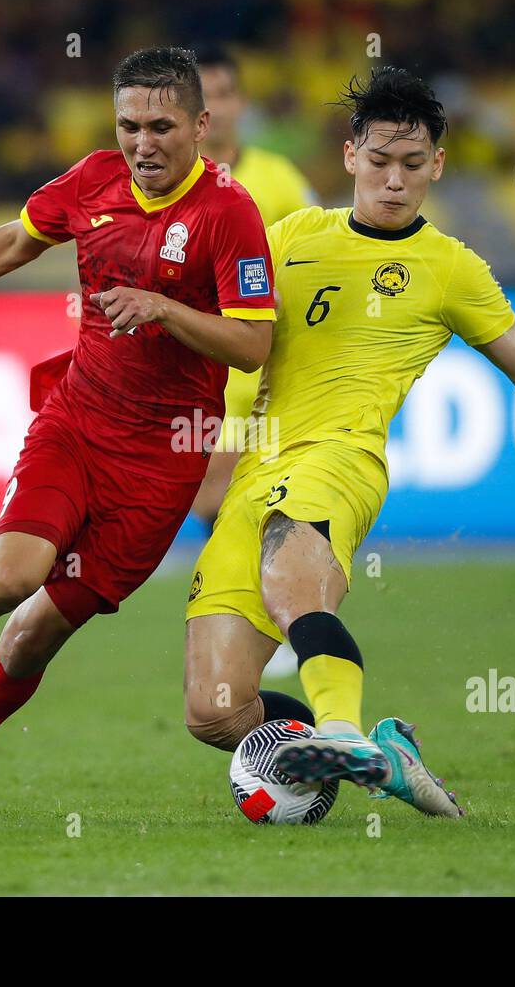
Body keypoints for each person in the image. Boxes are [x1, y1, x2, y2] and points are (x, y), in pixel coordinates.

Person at [182, 67, 515, 817]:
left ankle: (341, 730)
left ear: (437, 165)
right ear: (350, 157)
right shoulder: (290, 238)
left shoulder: (450, 268)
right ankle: (381, 749)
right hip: (256, 466)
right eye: (379, 162)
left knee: (291, 583)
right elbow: (216, 328)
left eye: (413, 166)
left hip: (341, 459)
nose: (394, 181)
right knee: (215, 710)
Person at [0, 47, 302, 816]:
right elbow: (17, 239)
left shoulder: (232, 212)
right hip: (79, 422)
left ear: (200, 125)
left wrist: (164, 310)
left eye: (161, 127)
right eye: (128, 126)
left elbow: (252, 343)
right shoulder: (93, 180)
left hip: (160, 468)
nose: (143, 144)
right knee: (11, 575)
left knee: (28, 639)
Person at [193, 44, 318, 679]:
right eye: (202, 96)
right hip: (200, 364)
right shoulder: (175, 181)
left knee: (262, 498)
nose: (213, 107)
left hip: (263, 365)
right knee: (213, 497)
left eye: (222, 93)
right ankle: (265, 616)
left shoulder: (279, 178)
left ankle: (276, 622)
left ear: (239, 102)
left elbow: (320, 257)